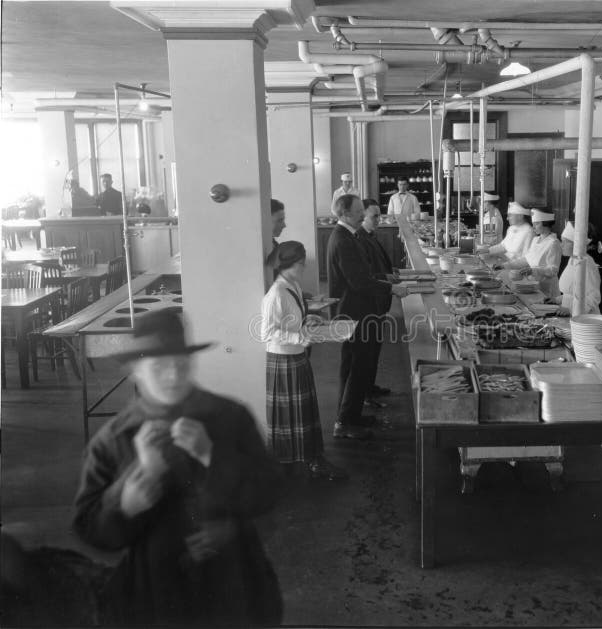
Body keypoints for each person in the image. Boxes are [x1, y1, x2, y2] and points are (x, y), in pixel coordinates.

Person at [72, 310, 284, 626]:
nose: (173, 376)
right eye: (158, 367)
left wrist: (212, 457)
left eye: (181, 364)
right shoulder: (112, 441)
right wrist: (124, 502)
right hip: (156, 597)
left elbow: (270, 492)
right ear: (134, 371)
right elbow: (90, 530)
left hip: (235, 587)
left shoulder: (230, 417)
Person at [261, 241, 347, 480]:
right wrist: (299, 335)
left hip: (297, 355)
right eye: (301, 263)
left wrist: (308, 319)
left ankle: (311, 458)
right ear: (287, 264)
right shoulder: (275, 294)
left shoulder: (293, 286)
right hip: (283, 358)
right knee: (291, 414)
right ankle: (293, 461)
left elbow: (294, 317)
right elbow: (266, 333)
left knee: (304, 412)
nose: (304, 267)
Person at [327, 194, 408, 439]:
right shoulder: (343, 240)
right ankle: (344, 422)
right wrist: (391, 288)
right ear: (345, 214)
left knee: (354, 366)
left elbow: (364, 276)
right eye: (359, 211)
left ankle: (350, 414)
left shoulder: (347, 236)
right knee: (357, 366)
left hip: (356, 311)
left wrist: (384, 280)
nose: (363, 215)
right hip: (354, 313)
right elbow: (359, 281)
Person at [357, 199, 399, 407]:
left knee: (375, 348)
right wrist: (388, 280)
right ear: (362, 216)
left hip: (380, 301)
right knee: (368, 350)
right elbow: (368, 274)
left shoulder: (370, 236)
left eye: (379, 215)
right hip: (370, 302)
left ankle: (369, 385)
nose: (379, 220)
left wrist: (392, 274)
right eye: (374, 216)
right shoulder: (360, 239)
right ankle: (365, 392)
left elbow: (379, 266)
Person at [501, 208, 562, 301]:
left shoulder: (554, 243)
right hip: (533, 285)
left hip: (547, 289)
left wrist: (533, 271)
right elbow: (526, 259)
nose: (533, 227)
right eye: (533, 224)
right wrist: (505, 265)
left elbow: (553, 270)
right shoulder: (535, 240)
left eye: (536, 224)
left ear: (545, 224)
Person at [555, 221, 602, 315]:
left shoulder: (587, 264)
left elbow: (594, 297)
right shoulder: (572, 259)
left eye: (565, 242)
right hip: (571, 316)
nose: (561, 245)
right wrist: (557, 299)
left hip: (585, 320)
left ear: (576, 244)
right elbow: (574, 292)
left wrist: (571, 310)